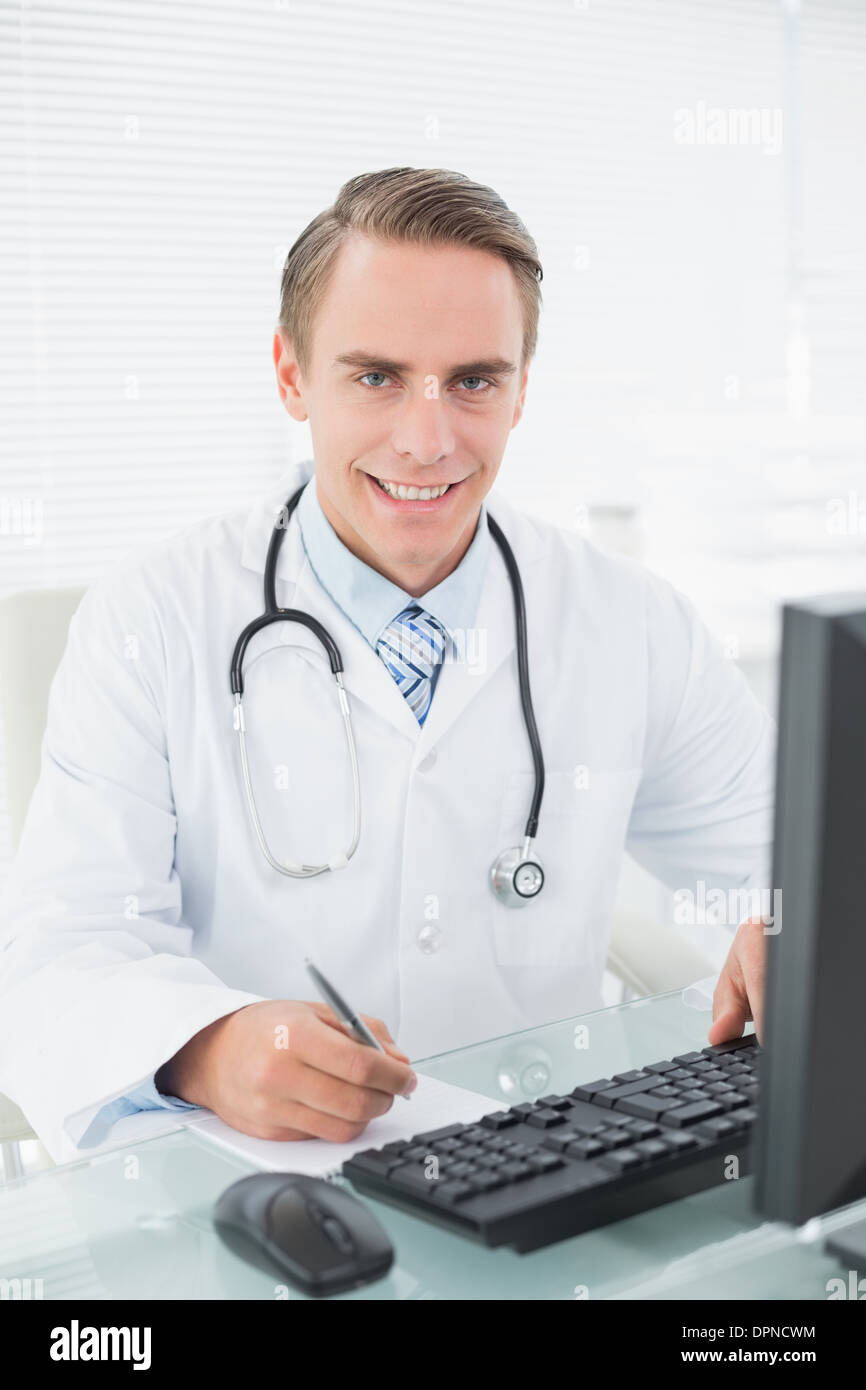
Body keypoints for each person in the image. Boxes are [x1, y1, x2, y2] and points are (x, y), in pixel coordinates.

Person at [0, 168, 775, 1165]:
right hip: (248, 1201)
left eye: (472, 380)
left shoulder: (628, 623)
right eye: (374, 377)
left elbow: (794, 857)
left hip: (537, 1183)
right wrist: (201, 1049)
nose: (426, 439)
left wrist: (802, 927)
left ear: (520, 389)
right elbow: (52, 966)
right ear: (290, 375)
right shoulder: (151, 619)